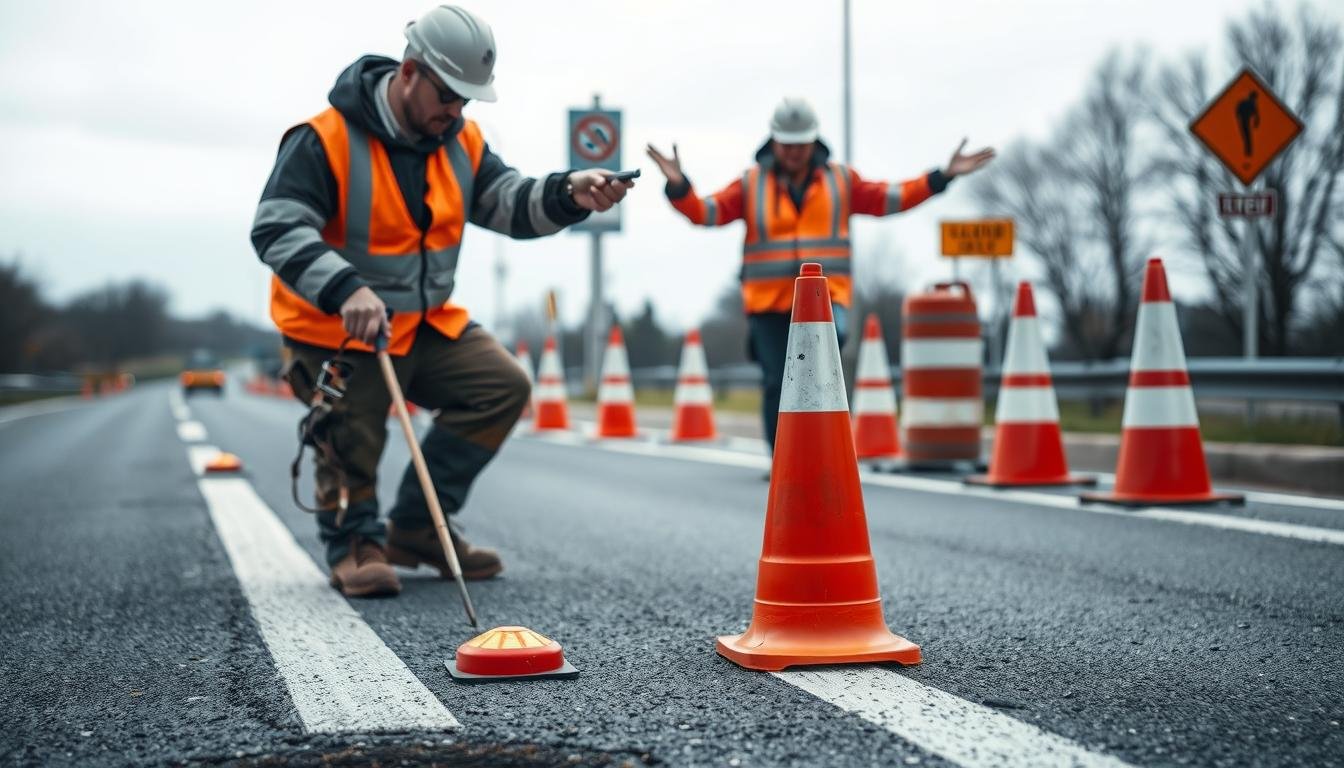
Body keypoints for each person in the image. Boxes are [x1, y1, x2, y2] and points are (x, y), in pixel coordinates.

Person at [251, 5, 633, 597]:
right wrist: (345, 286)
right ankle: (356, 540)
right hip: (337, 333)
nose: (456, 110)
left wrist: (569, 194)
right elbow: (276, 229)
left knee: (502, 385)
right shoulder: (322, 141)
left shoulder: (460, 141)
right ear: (409, 72)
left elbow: (508, 202)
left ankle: (417, 527)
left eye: (467, 100)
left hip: (423, 324)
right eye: (449, 95)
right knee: (352, 432)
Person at [647, 97, 994, 453]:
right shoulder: (751, 184)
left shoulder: (840, 181)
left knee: (824, 365)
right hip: (768, 303)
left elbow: (891, 198)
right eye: (788, 144)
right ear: (774, 142)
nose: (795, 152)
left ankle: (820, 453)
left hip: (827, 299)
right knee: (775, 382)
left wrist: (943, 177)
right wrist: (678, 186)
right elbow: (706, 212)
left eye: (801, 144)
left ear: (814, 141)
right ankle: (781, 458)